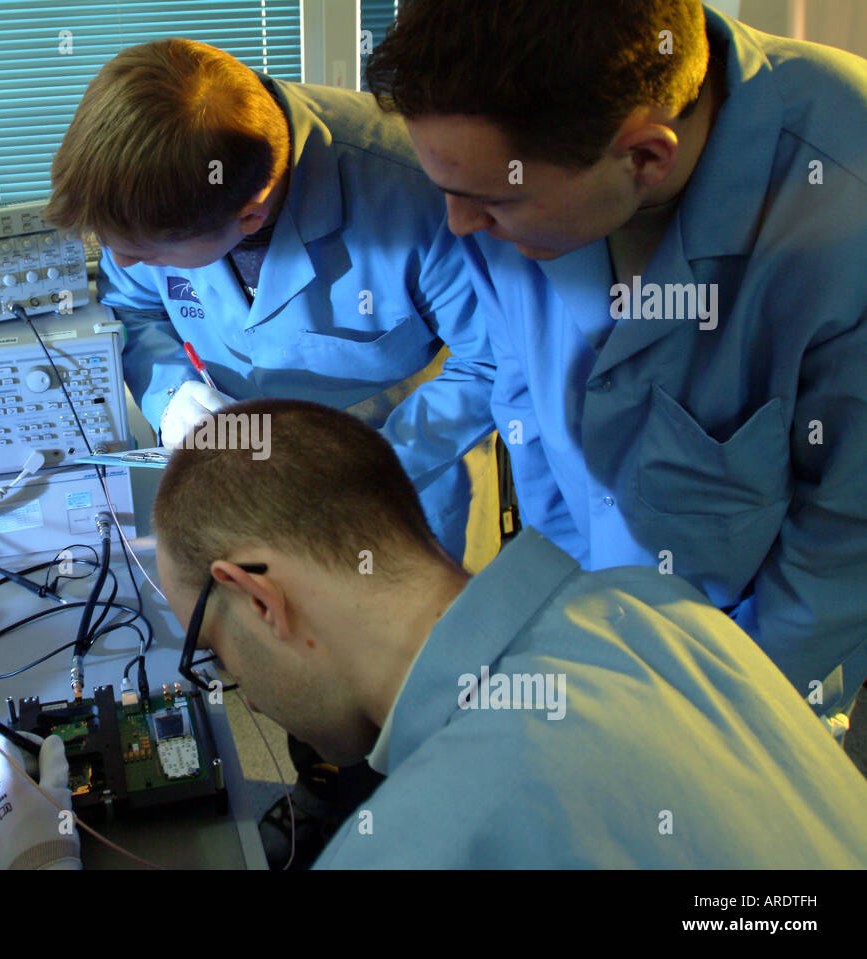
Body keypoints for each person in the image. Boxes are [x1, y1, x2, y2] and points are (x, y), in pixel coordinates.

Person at [0, 400, 867, 868]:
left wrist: (41, 861)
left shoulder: (417, 842)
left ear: (258, 600)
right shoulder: (654, 607)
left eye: (213, 650)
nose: (229, 677)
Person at [368, 0, 867, 728]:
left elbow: (847, 539)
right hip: (595, 616)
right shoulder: (494, 177)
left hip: (761, 666)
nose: (459, 227)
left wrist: (714, 716)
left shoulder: (840, 200)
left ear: (645, 156)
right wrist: (569, 621)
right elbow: (526, 407)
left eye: (495, 202)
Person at [42, 37, 496, 565]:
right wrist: (170, 395)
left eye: (145, 254)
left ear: (250, 219)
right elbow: (134, 307)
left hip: (407, 486)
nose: (129, 264)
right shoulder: (163, 196)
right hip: (238, 487)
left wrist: (366, 471)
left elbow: (492, 363)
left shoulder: (424, 193)